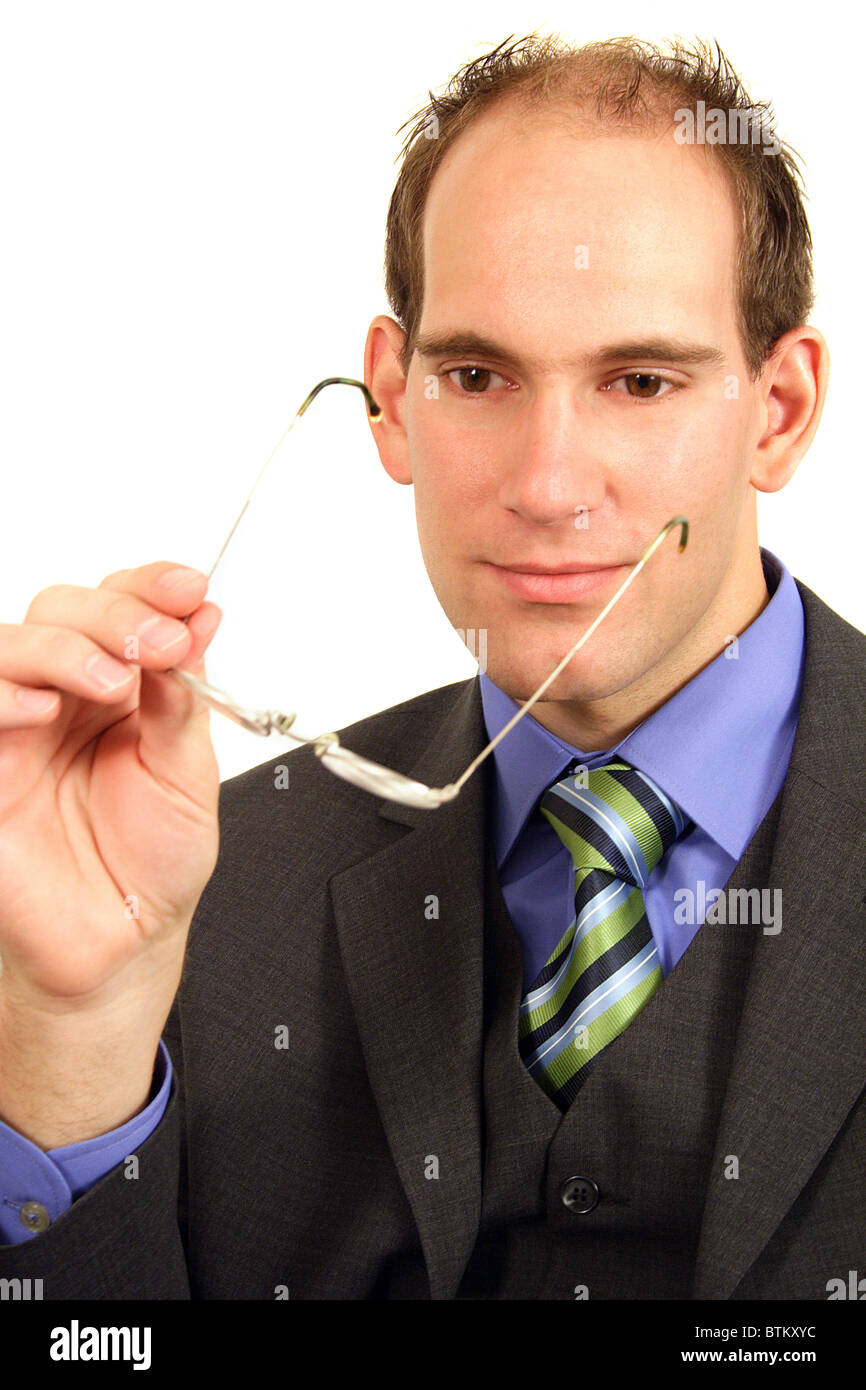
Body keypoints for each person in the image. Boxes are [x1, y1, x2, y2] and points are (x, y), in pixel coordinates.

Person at [0, 32, 862, 1301]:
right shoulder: (194, 891)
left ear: (775, 412)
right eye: (476, 374)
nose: (547, 486)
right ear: (392, 403)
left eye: (637, 379)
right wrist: (68, 1040)